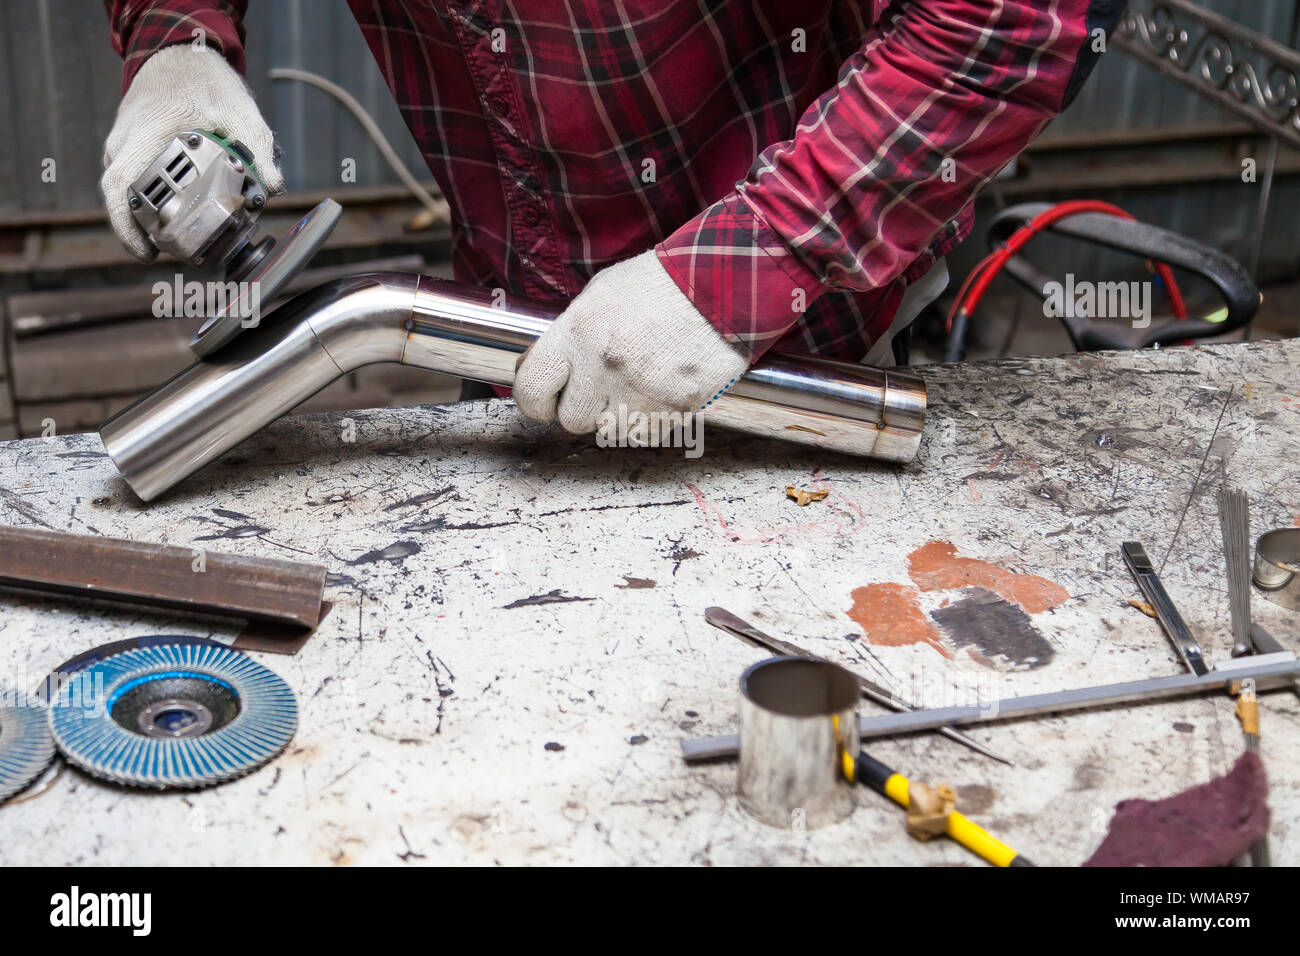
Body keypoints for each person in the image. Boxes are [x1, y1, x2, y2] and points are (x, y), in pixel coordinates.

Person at [102, 0, 1123, 433]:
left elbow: (1015, 17)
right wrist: (176, 45)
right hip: (520, 342)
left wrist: (750, 262)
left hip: (808, 357)